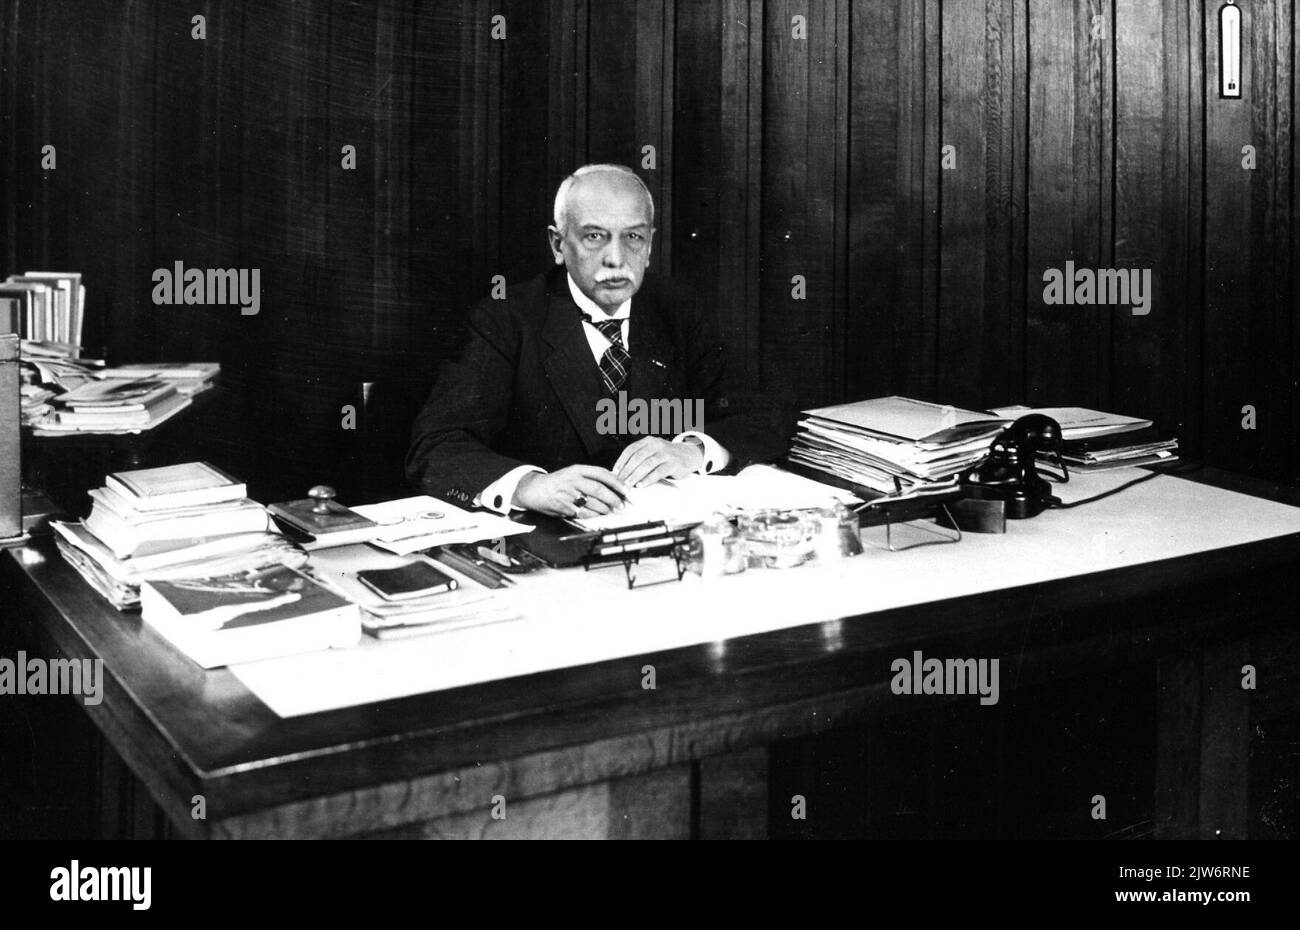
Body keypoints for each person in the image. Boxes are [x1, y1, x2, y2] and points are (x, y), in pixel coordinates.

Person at [406, 163, 790, 518]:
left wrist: (692, 450)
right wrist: (529, 485)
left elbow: (762, 414)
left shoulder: (679, 310)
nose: (616, 259)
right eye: (594, 237)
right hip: (552, 544)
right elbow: (436, 448)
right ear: (558, 245)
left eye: (633, 238)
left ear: (651, 245)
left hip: (670, 531)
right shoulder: (505, 319)